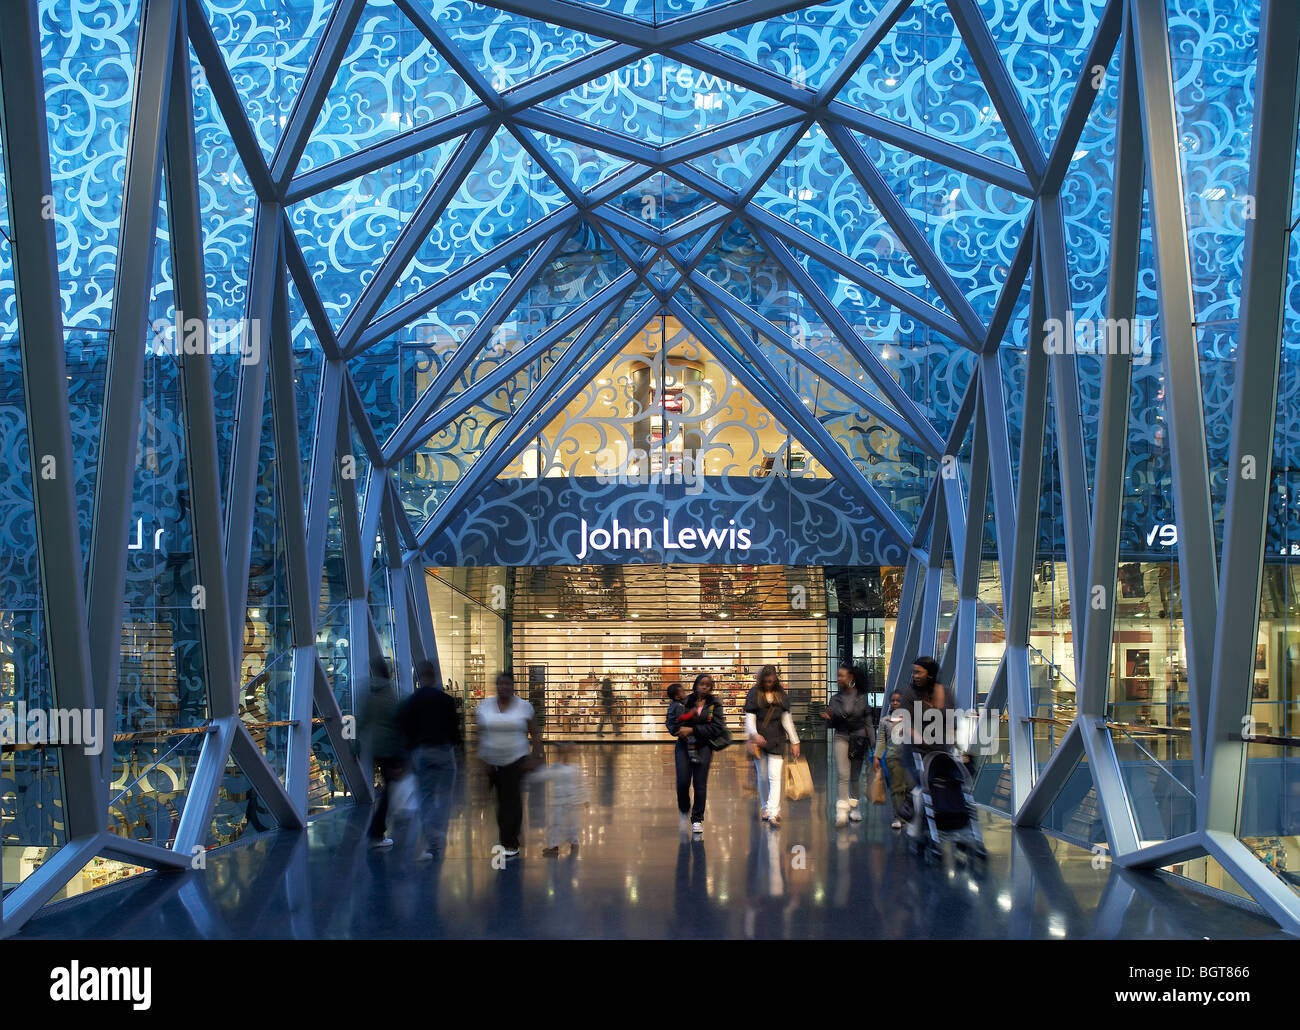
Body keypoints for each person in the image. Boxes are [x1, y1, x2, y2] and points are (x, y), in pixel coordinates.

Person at [398, 659, 461, 859]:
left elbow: (406, 730)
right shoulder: (446, 700)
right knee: (444, 796)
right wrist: (458, 749)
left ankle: (431, 840)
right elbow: (454, 729)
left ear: (419, 676)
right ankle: (439, 833)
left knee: (425, 795)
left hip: (422, 752)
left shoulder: (411, 702)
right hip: (443, 751)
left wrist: (408, 755)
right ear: (434, 676)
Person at [476, 671, 540, 858]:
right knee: (501, 801)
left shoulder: (523, 707)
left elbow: (534, 733)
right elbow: (480, 733)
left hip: (516, 760)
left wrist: (536, 757)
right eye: (500, 684)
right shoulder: (485, 706)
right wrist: (480, 760)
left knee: (511, 801)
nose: (503, 687)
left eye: (507, 684)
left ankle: (509, 842)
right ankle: (508, 837)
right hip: (493, 760)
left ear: (513, 686)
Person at [744, 664, 800, 827]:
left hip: (777, 740)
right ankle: (766, 808)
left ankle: (773, 811)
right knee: (762, 777)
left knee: (774, 777)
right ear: (762, 680)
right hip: (759, 741)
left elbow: (786, 719)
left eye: (771, 681)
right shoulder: (754, 694)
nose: (769, 684)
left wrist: (794, 740)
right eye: (766, 681)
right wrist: (754, 735)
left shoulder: (781, 694)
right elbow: (750, 718)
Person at [674, 673, 727, 836]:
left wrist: (693, 729)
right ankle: (684, 809)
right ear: (695, 684)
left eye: (708, 685)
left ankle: (697, 818)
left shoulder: (714, 704)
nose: (704, 687)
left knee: (700, 784)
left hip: (704, 747)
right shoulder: (686, 700)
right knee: (683, 782)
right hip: (684, 746)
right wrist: (676, 729)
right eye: (701, 684)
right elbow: (674, 720)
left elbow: (718, 728)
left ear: (711, 688)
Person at [360, 656, 406, 848]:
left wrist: (355, 746)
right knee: (391, 788)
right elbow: (399, 722)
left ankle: (378, 829)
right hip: (391, 748)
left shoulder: (369, 693)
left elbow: (363, 720)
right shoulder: (391, 693)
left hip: (376, 747)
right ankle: (377, 831)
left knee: (390, 786)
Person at [821, 662, 874, 826]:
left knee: (855, 777)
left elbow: (868, 723)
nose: (838, 679)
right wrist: (829, 718)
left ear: (850, 677)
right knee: (843, 774)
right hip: (841, 736)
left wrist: (875, 746)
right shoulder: (835, 699)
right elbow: (830, 725)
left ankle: (854, 808)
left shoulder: (862, 698)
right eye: (838, 675)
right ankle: (841, 811)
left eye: (841, 675)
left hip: (859, 739)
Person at [530, 741, 588, 855]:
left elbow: (582, 784)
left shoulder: (574, 768)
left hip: (570, 802)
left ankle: (573, 842)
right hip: (559, 803)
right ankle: (554, 846)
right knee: (556, 824)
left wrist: (586, 798)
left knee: (572, 824)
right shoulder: (555, 768)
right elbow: (542, 775)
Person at [873, 689, 914, 830]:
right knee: (897, 788)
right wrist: (877, 757)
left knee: (910, 787)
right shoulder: (885, 720)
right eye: (893, 700)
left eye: (898, 700)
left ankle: (909, 815)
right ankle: (899, 817)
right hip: (893, 757)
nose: (895, 703)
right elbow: (881, 740)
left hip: (909, 758)